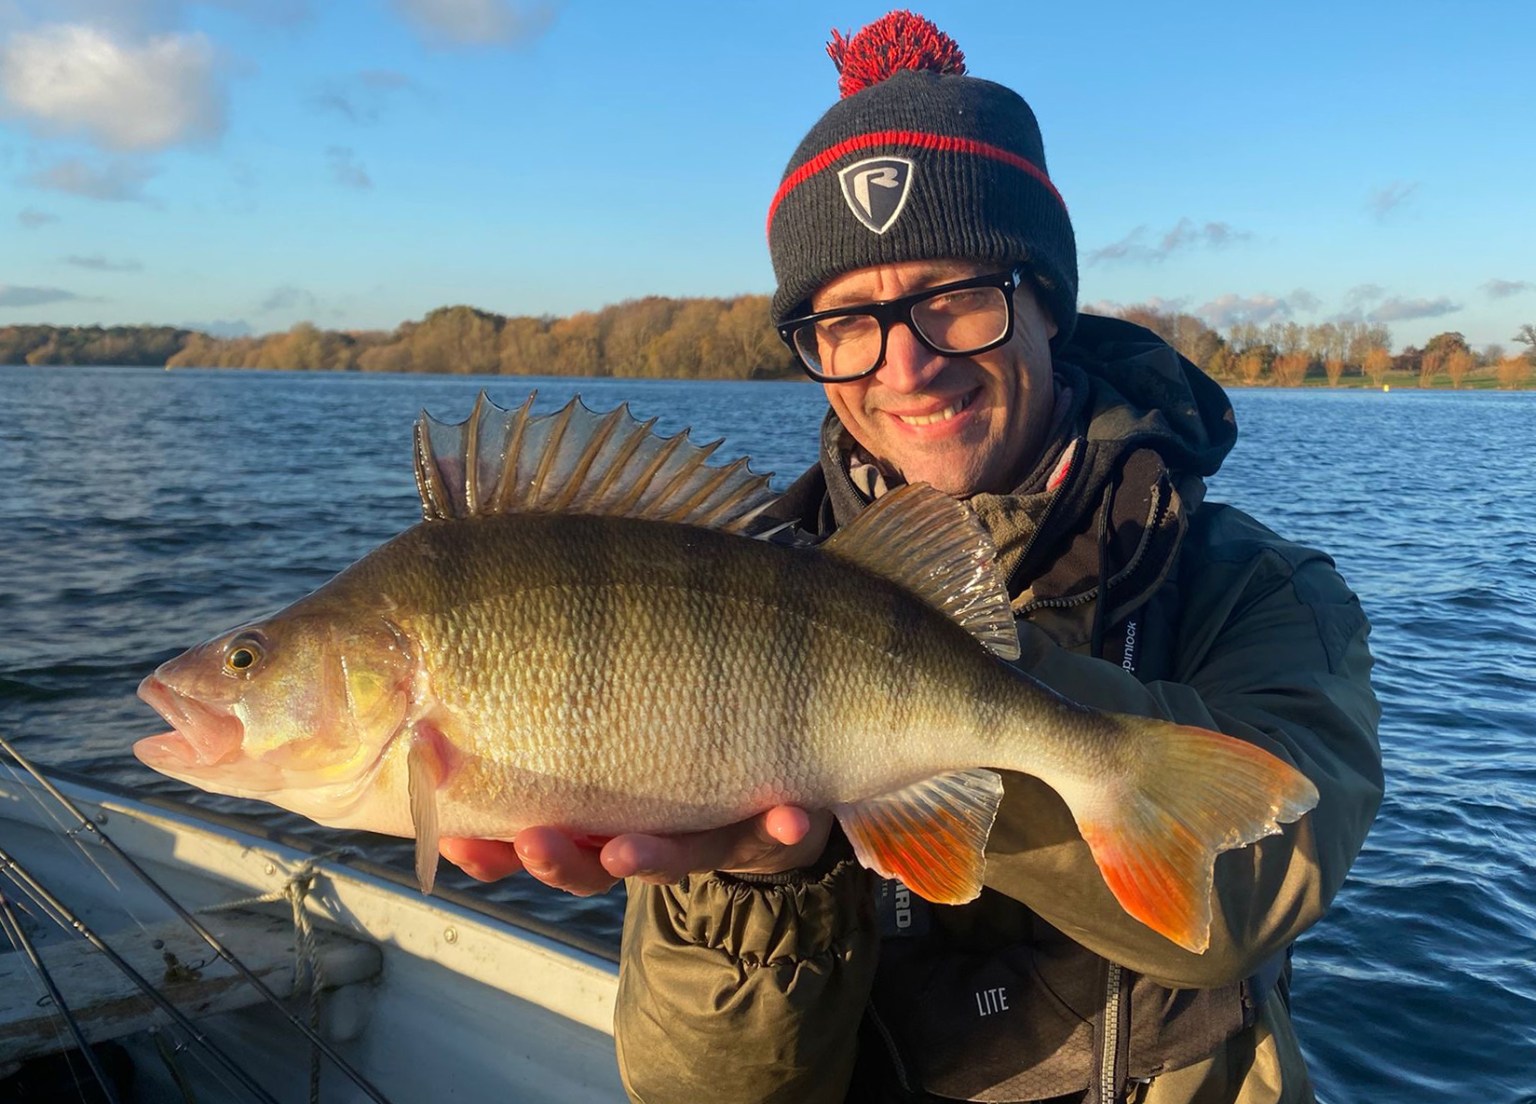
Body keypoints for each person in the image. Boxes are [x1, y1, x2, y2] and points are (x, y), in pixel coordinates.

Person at [441, 11, 1383, 1103]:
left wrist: (953, 705)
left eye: (956, 298)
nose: (909, 366)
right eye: (844, 321)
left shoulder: (1257, 591)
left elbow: (1247, 893)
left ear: (1045, 306)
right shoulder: (734, 582)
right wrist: (761, 884)